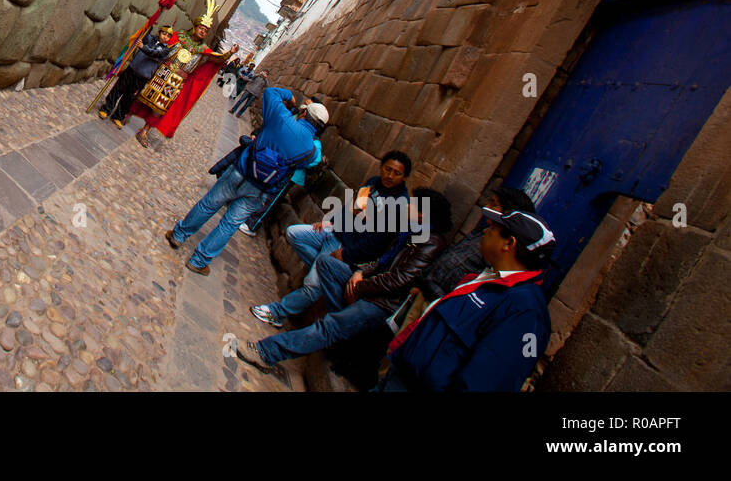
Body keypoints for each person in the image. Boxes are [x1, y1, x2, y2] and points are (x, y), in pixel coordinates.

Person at [237, 189, 451, 374]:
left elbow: (399, 280)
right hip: (370, 285)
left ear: (424, 213)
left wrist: (361, 287)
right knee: (326, 264)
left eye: (413, 206)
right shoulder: (411, 232)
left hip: (383, 303)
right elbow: (383, 261)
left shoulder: (430, 242)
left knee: (329, 325)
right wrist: (360, 273)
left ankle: (267, 352)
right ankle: (341, 323)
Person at [374, 207, 555, 392]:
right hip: (400, 375)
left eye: (493, 229)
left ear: (508, 243)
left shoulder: (525, 310)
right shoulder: (486, 278)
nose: (485, 231)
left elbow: (487, 380)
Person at [164, 86, 317, 275]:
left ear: (303, 113)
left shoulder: (281, 119)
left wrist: (290, 98)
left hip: (241, 171)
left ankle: (179, 235)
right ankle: (198, 260)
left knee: (209, 204)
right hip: (261, 189)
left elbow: (270, 93)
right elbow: (307, 164)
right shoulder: (311, 150)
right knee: (229, 224)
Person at [272, 150, 412, 309]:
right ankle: (320, 270)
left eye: (397, 173)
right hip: (334, 231)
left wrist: (346, 254)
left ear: (404, 177)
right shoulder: (373, 183)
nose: (390, 176)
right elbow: (352, 207)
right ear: (381, 167)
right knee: (293, 234)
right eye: (387, 169)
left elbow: (375, 242)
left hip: (344, 245)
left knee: (311, 286)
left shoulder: (398, 204)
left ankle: (278, 312)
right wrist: (330, 221)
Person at [132, 0, 237, 148]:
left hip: (176, 81)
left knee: (160, 107)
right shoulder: (179, 36)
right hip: (162, 71)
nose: (203, 32)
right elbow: (163, 46)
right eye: (201, 28)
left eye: (206, 30)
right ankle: (126, 113)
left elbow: (216, 59)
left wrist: (229, 53)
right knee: (141, 93)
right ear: (195, 27)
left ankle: (145, 130)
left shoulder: (203, 49)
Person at [416, 186, 536, 301]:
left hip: (438, 300)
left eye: (494, 204)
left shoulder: (497, 246)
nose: (487, 207)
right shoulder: (481, 232)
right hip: (426, 289)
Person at [239, 95, 323, 237]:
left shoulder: (314, 141)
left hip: (290, 175)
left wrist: (293, 160)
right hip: (278, 167)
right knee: (262, 191)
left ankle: (252, 224)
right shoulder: (296, 123)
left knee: (271, 199)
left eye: (308, 106)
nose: (304, 107)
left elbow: (315, 159)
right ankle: (244, 213)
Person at [97, 25, 175, 128]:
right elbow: (145, 33)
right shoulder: (150, 39)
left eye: (168, 36)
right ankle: (106, 109)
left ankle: (118, 116)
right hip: (132, 69)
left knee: (129, 97)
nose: (165, 37)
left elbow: (154, 53)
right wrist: (150, 24)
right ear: (159, 32)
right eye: (164, 33)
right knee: (118, 89)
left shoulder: (165, 51)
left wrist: (143, 47)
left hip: (143, 76)